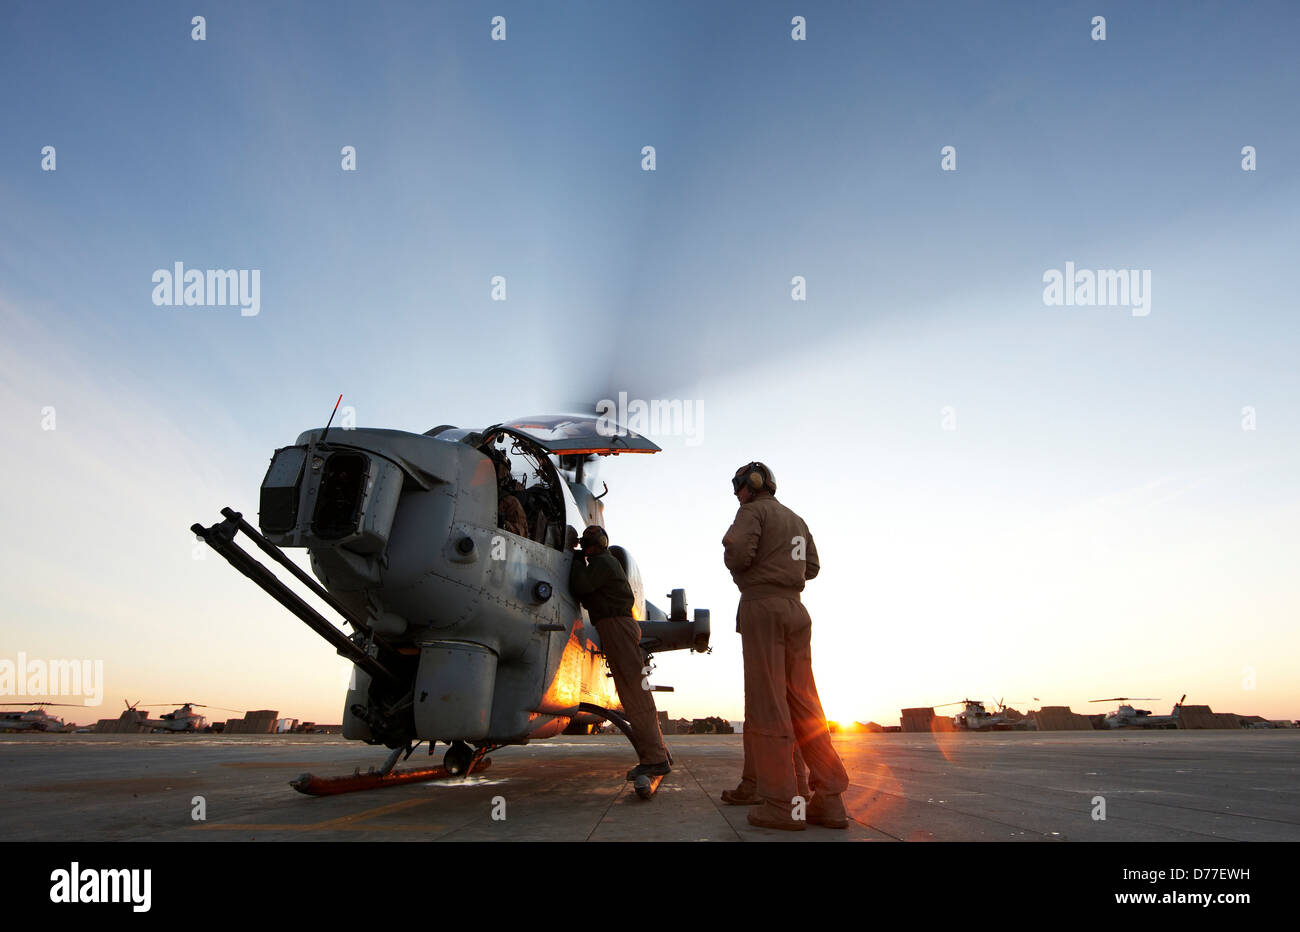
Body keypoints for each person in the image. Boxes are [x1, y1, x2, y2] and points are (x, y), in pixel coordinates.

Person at [722, 462, 849, 830]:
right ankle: (829, 799)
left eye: (737, 484)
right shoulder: (796, 520)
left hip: (762, 606)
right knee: (804, 702)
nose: (735, 491)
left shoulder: (751, 511)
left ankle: (782, 803)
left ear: (752, 484)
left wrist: (750, 575)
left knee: (768, 704)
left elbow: (737, 552)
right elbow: (811, 567)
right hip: (797, 609)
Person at [569, 525, 671, 781]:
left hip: (616, 625)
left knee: (633, 693)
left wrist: (575, 559)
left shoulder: (602, 563)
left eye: (587, 545)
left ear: (593, 545)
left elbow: (580, 585)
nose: (586, 549)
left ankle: (655, 759)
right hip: (615, 626)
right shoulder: (603, 561)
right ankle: (659, 753)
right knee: (635, 691)